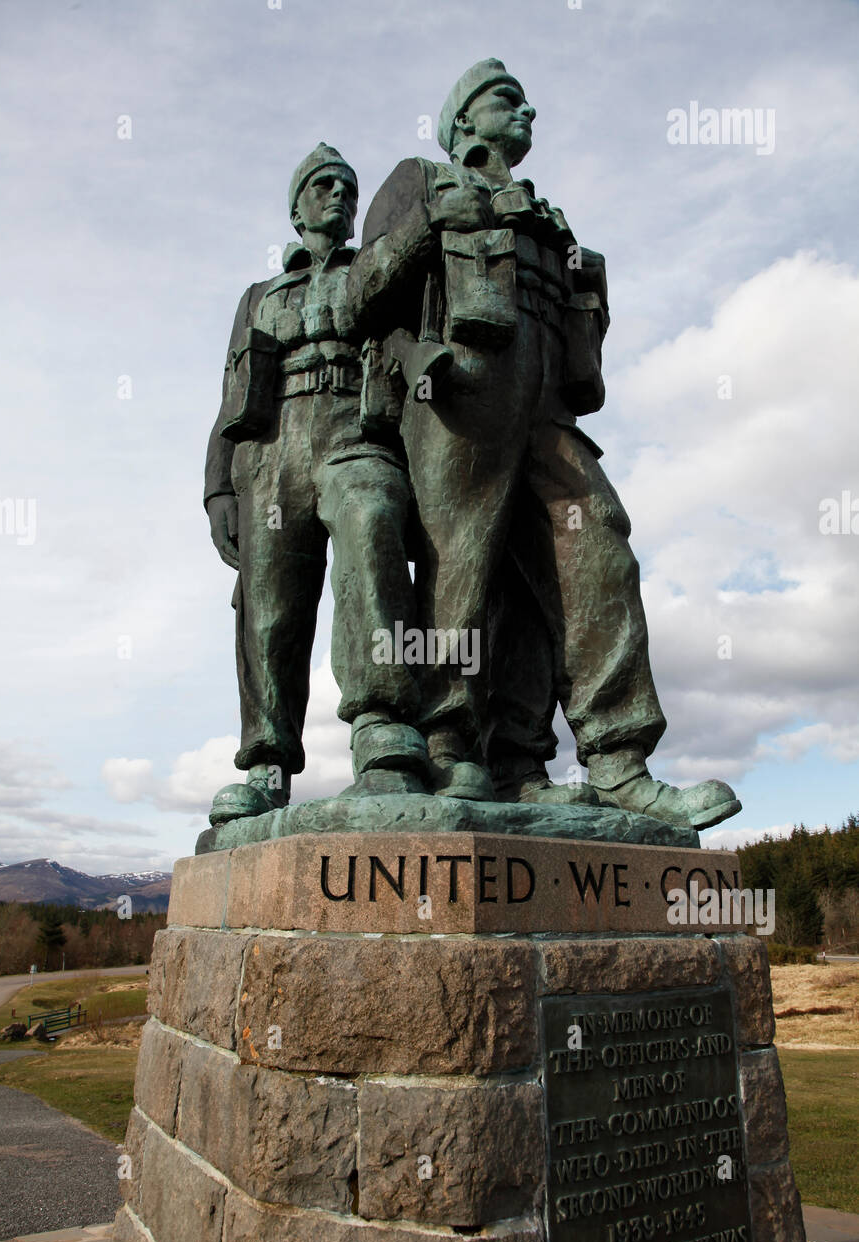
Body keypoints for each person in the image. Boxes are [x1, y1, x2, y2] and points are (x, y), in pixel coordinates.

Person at [348, 60, 740, 830]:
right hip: (460, 388)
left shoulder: (547, 214)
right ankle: (450, 743)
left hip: (545, 405)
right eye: (507, 101)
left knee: (596, 549)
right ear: (463, 122)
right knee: (461, 569)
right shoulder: (418, 180)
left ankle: (617, 759)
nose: (528, 112)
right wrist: (432, 224)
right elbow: (365, 292)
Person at [205, 144, 428, 823]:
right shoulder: (258, 298)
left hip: (353, 432)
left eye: (347, 188)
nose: (338, 195)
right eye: (323, 185)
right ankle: (267, 762)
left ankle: (382, 727)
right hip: (272, 449)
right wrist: (218, 489)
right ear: (296, 205)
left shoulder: (373, 269)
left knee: (370, 524)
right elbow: (228, 401)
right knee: (270, 604)